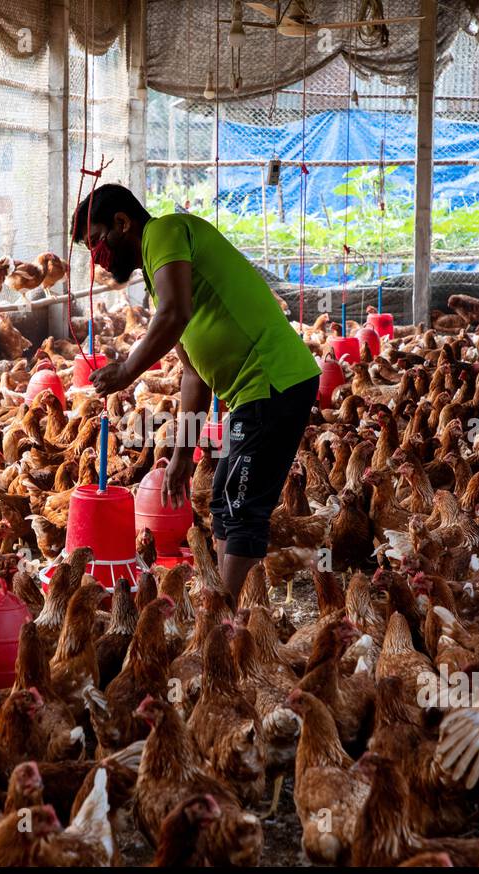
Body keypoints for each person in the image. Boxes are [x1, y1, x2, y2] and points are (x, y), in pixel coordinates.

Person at [73, 183, 319, 603]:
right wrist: (184, 454)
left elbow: (175, 314)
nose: (97, 257)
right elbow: (193, 376)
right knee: (225, 501)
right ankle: (230, 612)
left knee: (238, 505)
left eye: (97, 242)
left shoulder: (164, 232)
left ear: (122, 222)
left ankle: (222, 616)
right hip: (255, 390)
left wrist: (128, 371)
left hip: (272, 381)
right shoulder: (161, 279)